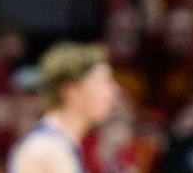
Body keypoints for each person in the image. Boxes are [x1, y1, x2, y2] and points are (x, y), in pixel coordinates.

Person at [8, 43, 120, 173]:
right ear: (70, 91)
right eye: (104, 82)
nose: (114, 90)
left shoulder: (61, 147)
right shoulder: (44, 151)